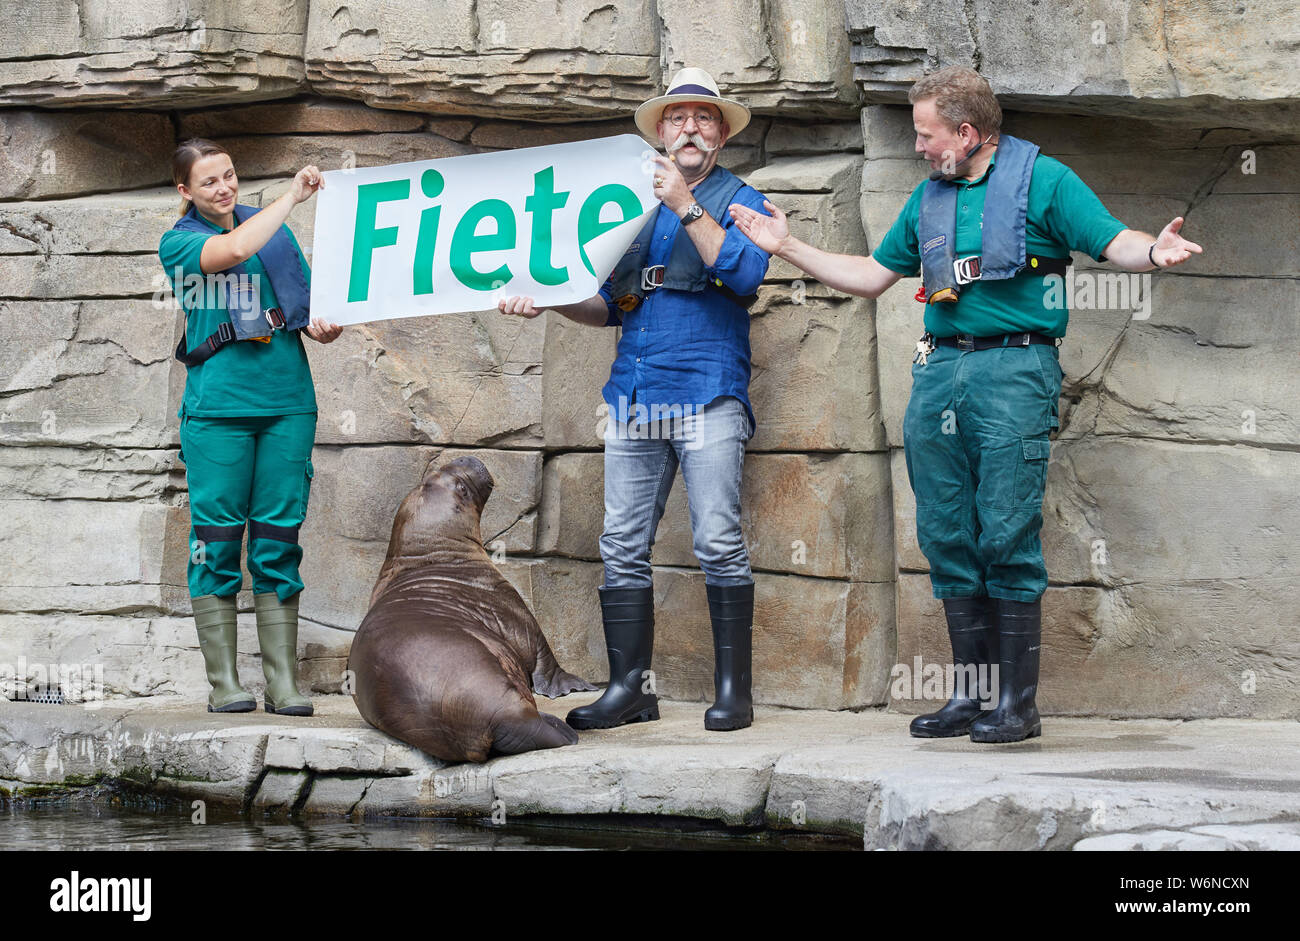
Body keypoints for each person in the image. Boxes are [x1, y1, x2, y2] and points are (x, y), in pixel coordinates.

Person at [730, 66, 1202, 744]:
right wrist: (787, 246)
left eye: (926, 135)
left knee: (1005, 530)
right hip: (940, 367)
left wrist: (1151, 252)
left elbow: (1111, 238)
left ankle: (1017, 704)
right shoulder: (928, 200)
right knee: (947, 532)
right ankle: (971, 695)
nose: (919, 147)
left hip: (1015, 367)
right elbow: (870, 277)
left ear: (966, 133)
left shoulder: (1045, 181)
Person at [498, 68, 773, 731]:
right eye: (677, 117)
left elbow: (742, 274)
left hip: (709, 392)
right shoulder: (625, 208)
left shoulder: (744, 199)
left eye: (705, 118)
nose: (690, 127)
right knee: (620, 542)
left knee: (718, 541)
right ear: (658, 131)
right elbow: (607, 307)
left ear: (722, 135)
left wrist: (684, 202)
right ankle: (631, 689)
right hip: (635, 395)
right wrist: (545, 298)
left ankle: (734, 692)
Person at [159, 139, 344, 715]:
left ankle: (282, 683)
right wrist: (292, 197)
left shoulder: (277, 234)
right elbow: (234, 247)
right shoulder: (181, 242)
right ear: (185, 191)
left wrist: (323, 326)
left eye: (230, 175)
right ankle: (224, 684)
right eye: (209, 181)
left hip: (287, 402)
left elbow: (303, 310)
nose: (224, 188)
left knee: (277, 539)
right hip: (218, 410)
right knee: (215, 541)